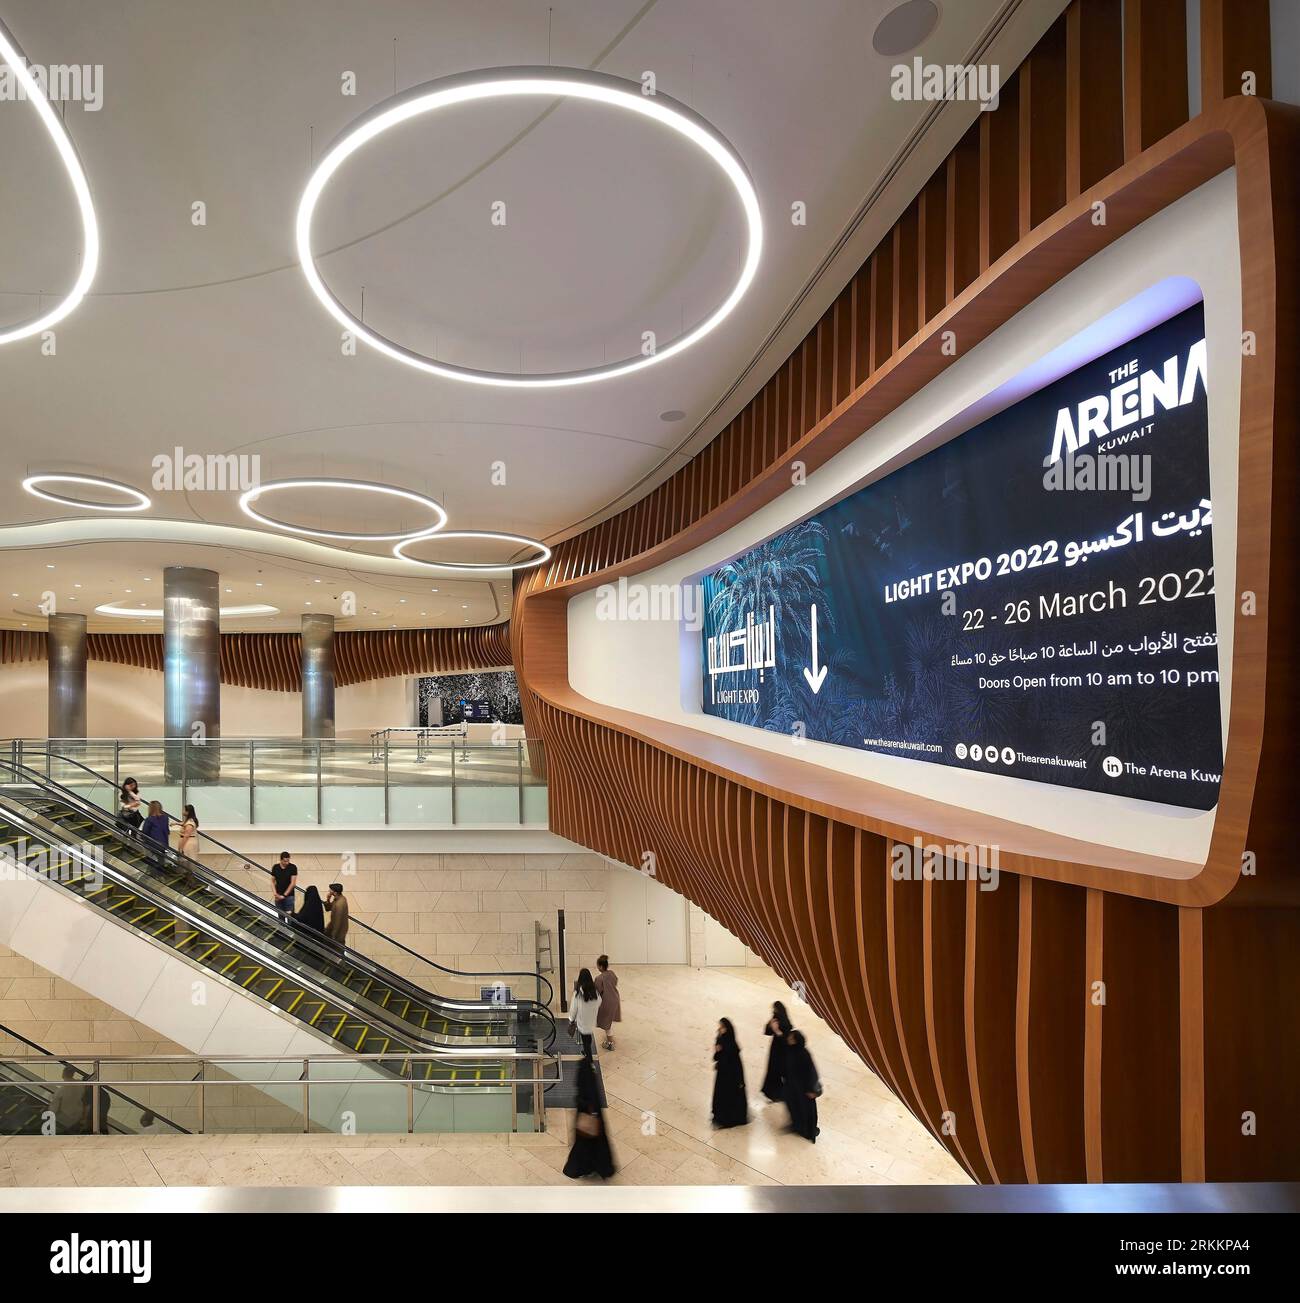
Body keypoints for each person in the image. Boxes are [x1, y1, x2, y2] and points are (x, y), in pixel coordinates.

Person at [562, 1054, 615, 1180]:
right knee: (596, 1144)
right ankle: (599, 1167)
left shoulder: (583, 1073)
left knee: (584, 1145)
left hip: (584, 1113)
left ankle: (584, 1166)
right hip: (591, 1114)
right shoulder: (589, 1074)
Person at [783, 1030, 821, 1143]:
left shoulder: (804, 1054)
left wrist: (811, 1090)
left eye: (791, 1038)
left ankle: (808, 1131)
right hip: (792, 1087)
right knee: (794, 1107)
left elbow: (811, 1073)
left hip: (804, 1089)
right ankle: (797, 1126)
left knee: (806, 1111)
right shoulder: (790, 1050)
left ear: (796, 1041)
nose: (788, 1039)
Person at [711, 1018, 749, 1129]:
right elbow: (717, 1057)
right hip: (722, 1074)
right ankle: (720, 1117)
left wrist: (740, 1081)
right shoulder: (720, 1039)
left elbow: (737, 1065)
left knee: (729, 1097)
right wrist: (717, 1051)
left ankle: (728, 1119)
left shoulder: (732, 1045)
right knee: (721, 1096)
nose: (719, 1029)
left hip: (731, 1077)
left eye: (722, 1027)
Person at [760, 1000, 793, 1102]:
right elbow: (767, 1032)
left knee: (781, 1072)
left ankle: (784, 1093)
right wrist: (770, 1025)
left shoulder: (786, 1024)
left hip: (783, 1052)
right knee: (772, 1071)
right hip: (775, 1050)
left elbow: (786, 1041)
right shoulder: (775, 1019)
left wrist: (777, 1031)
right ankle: (773, 1093)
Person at [568, 968, 600, 1059]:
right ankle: (586, 1051)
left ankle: (589, 1060)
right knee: (588, 1037)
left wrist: (571, 1019)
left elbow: (573, 1008)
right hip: (591, 1019)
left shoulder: (578, 993)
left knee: (585, 1039)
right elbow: (599, 1002)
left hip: (582, 1020)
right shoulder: (595, 991)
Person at [594, 954, 621, 1051]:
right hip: (615, 999)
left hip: (606, 1002)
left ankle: (610, 1043)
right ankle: (609, 1039)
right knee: (608, 1021)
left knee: (606, 1024)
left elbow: (597, 991)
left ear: (600, 966)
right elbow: (615, 982)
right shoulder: (612, 973)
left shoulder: (599, 978)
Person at [52, 1064, 89, 1134]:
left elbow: (54, 1108)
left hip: (67, 1118)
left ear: (64, 1073)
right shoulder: (80, 1084)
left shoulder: (61, 1090)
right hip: (79, 1115)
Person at [272, 851, 297, 919]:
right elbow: (272, 881)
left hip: (289, 896)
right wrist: (275, 894)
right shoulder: (275, 867)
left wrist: (284, 895)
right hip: (278, 895)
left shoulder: (293, 867)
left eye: (288, 861)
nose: (287, 863)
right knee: (281, 916)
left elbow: (293, 883)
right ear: (281, 860)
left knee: (290, 917)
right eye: (285, 861)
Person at [324, 883, 350, 947]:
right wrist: (328, 899)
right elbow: (328, 908)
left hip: (338, 931)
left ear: (335, 893)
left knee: (335, 947)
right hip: (335, 928)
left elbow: (337, 922)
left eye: (330, 890)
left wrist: (333, 936)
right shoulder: (340, 898)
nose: (329, 891)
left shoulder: (339, 904)